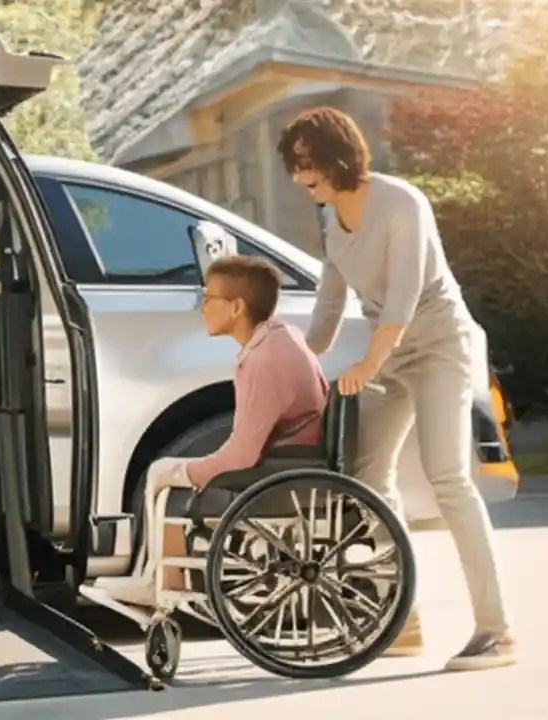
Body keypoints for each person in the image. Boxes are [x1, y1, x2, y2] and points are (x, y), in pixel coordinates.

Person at [277, 106, 515, 671]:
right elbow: (331, 302)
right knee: (366, 473)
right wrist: (298, 360)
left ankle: (497, 629)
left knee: (448, 477)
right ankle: (401, 616)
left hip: (438, 346)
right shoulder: (331, 218)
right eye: (293, 166)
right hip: (390, 352)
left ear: (339, 156)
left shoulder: (401, 203)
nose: (299, 177)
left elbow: (403, 300)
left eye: (307, 163)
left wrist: (367, 365)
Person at [101, 254, 329, 606]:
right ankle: (159, 577)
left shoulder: (265, 357)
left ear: (236, 306)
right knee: (174, 471)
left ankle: (157, 582)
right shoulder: (280, 339)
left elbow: (243, 454)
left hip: (281, 473)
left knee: (162, 472)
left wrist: (195, 469)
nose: (203, 308)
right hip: (292, 463)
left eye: (209, 299)